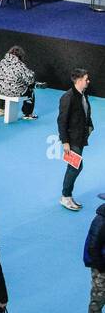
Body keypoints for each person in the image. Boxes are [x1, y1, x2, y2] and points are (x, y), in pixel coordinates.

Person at [59, 68, 93, 211]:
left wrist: (90, 126)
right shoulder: (68, 97)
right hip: (72, 140)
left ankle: (68, 196)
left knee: (74, 167)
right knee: (75, 168)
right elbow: (62, 121)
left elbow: (85, 113)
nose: (88, 81)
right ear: (79, 80)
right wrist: (65, 141)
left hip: (80, 137)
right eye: (86, 79)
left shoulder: (83, 95)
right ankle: (65, 196)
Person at [0, 45, 37, 121]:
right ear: (21, 55)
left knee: (3, 85)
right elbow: (30, 80)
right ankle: (28, 114)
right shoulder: (20, 65)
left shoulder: (2, 61)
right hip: (13, 91)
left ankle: (0, 109)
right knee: (30, 91)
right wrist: (32, 73)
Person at [86, 199, 105, 313]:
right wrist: (102, 268)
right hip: (101, 270)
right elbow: (92, 248)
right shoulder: (100, 222)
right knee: (97, 303)